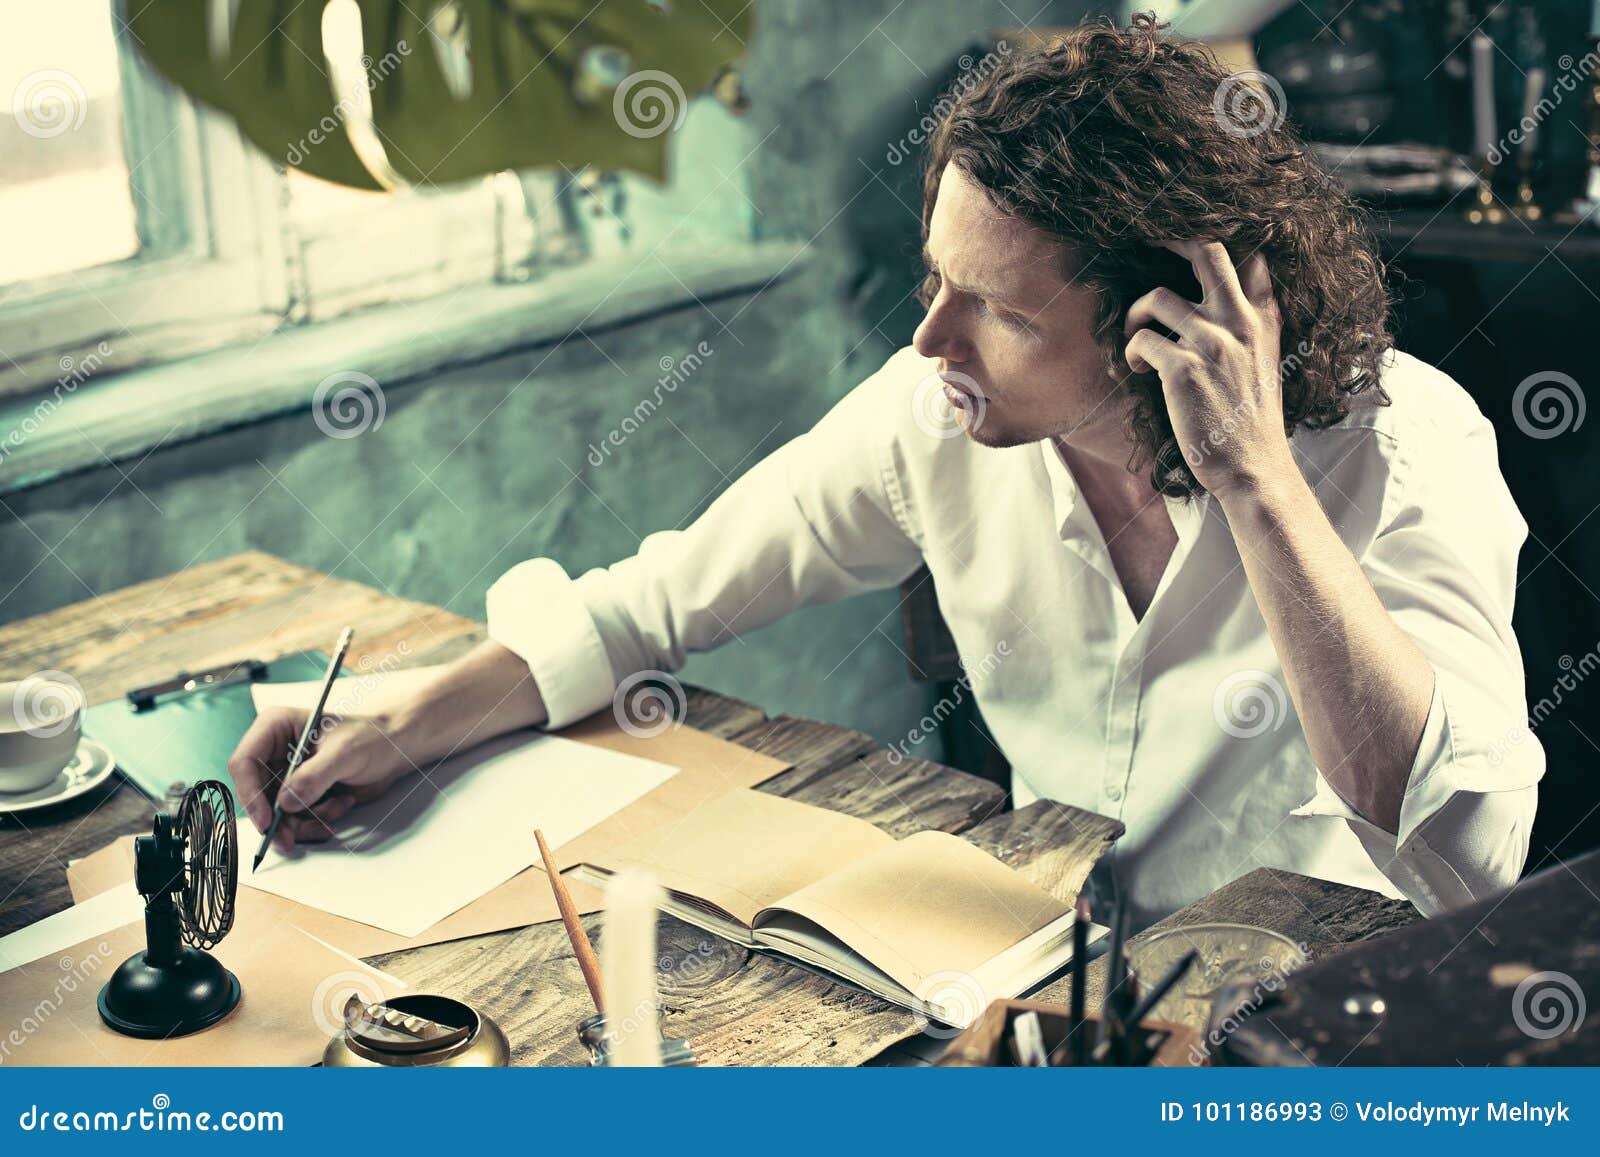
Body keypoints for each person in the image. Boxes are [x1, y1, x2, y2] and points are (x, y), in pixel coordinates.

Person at [229, 15, 1541, 925]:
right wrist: (398, 722)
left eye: (1003, 314)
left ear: (1174, 319)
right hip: (1050, 986)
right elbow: (656, 603)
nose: (929, 341)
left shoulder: (1404, 447)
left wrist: (1259, 484)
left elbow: (1470, 853)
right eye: (934, 281)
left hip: (1313, 1035)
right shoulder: (936, 412)